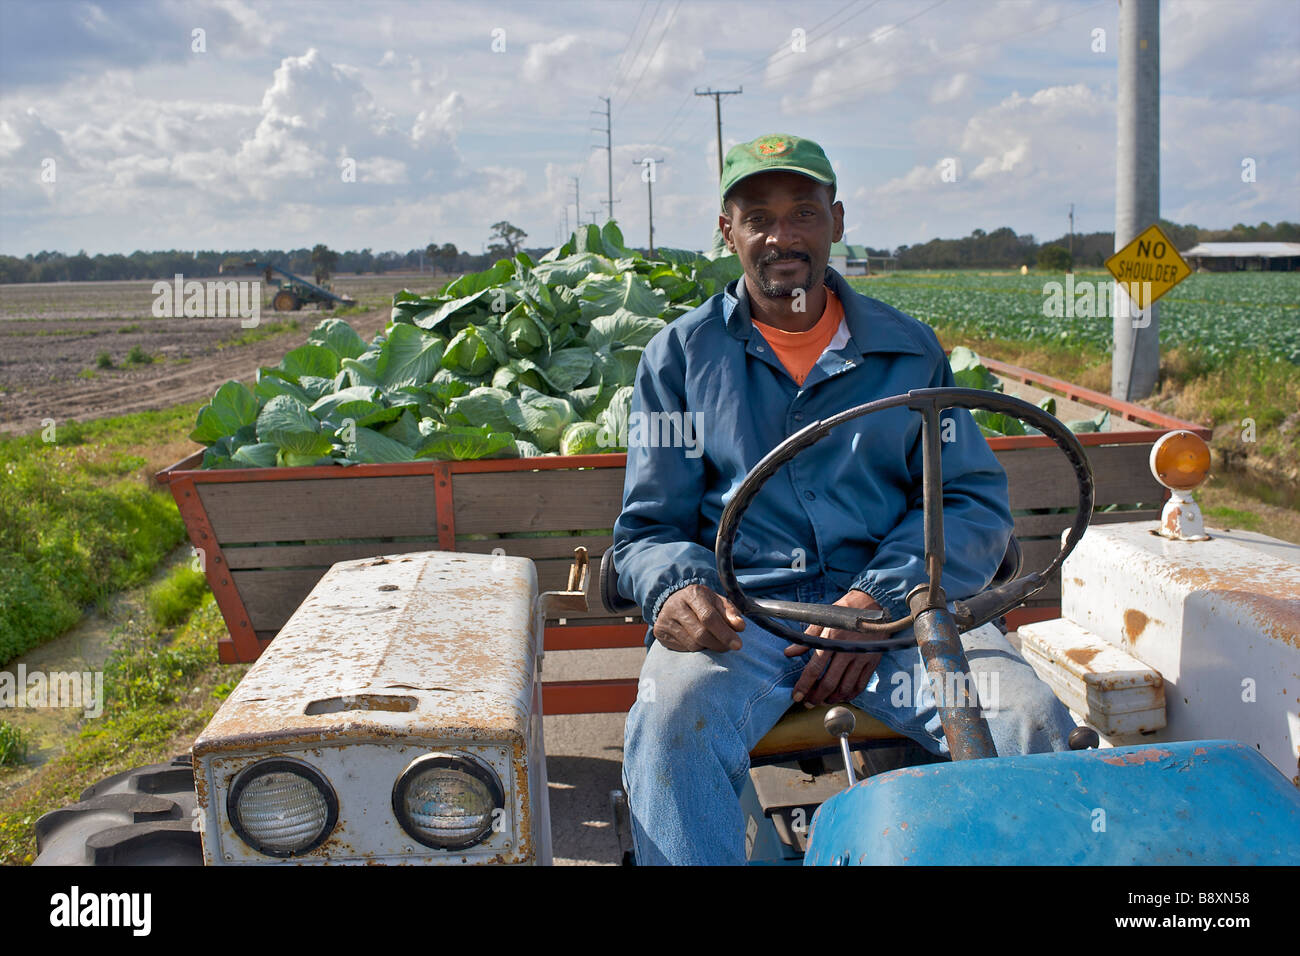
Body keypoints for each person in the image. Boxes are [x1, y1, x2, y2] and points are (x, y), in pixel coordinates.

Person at [612, 133, 1077, 866]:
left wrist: (878, 602)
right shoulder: (681, 356)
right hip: (746, 623)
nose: (781, 234)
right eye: (757, 215)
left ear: (837, 219)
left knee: (1028, 716)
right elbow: (650, 529)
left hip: (900, 623)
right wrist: (678, 587)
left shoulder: (907, 350)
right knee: (671, 721)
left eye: (802, 212)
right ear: (726, 231)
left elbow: (969, 501)